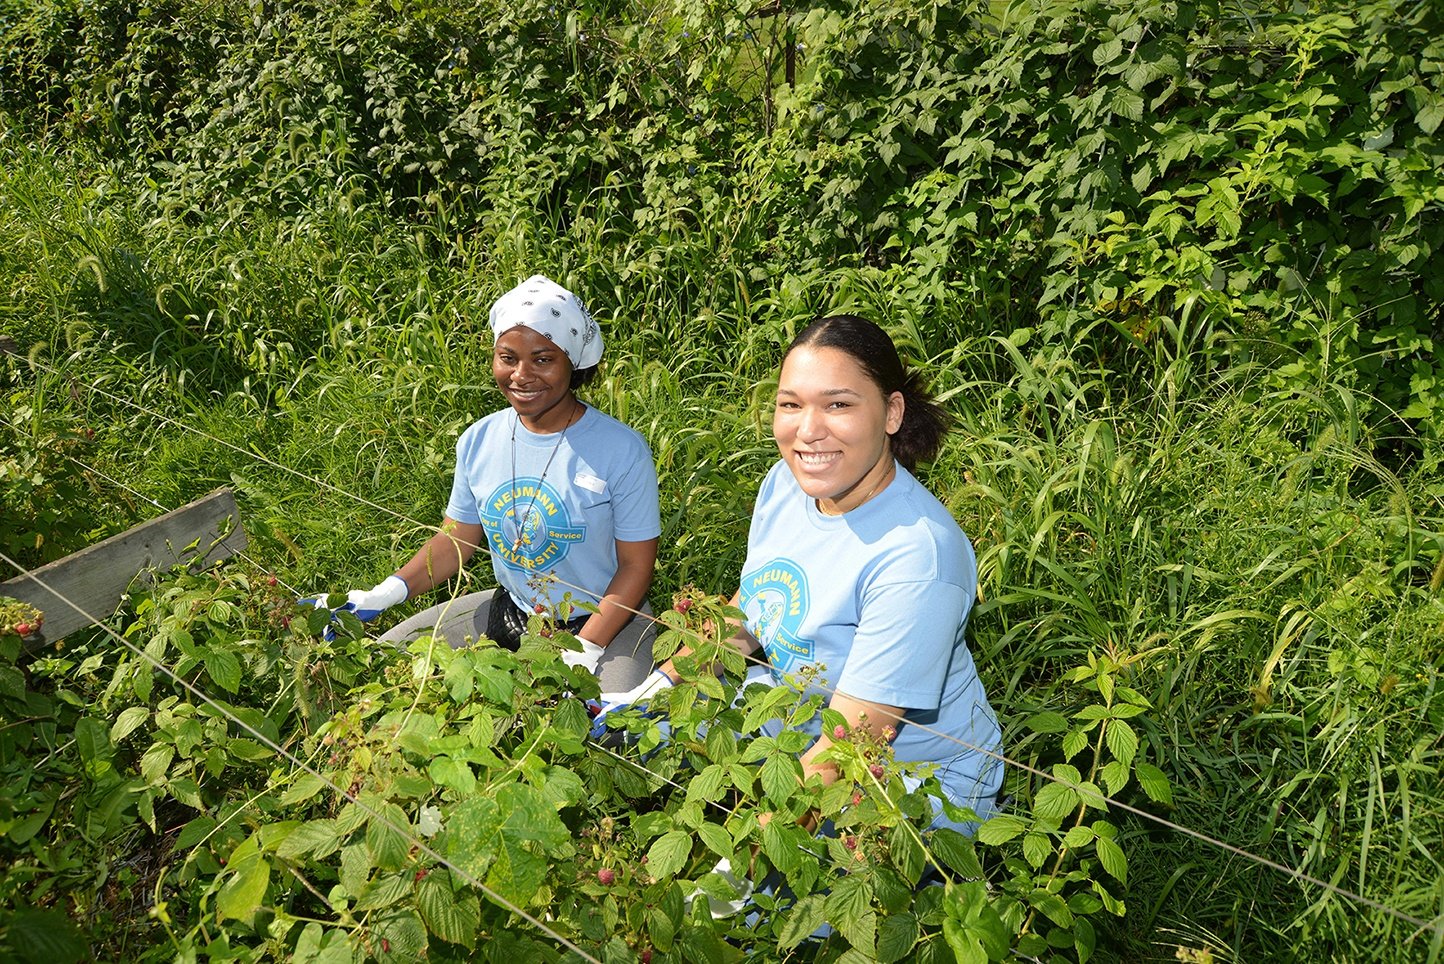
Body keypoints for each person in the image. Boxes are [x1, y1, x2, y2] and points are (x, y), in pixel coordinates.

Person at [600, 314, 1003, 834]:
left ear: (891, 412)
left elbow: (847, 750)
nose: (808, 431)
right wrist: (653, 690)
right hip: (799, 714)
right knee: (639, 736)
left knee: (760, 911)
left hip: (907, 777)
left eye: (838, 404)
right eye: (791, 404)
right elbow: (753, 608)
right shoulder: (788, 484)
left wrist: (743, 861)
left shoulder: (917, 556)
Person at [316, 275, 661, 690]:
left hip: (607, 622)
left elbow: (636, 567)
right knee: (389, 662)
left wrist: (584, 648)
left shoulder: (621, 450)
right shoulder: (480, 439)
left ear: (573, 361)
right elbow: (456, 540)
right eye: (507, 357)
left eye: (543, 359)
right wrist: (387, 592)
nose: (522, 375)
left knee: (608, 733)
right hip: (512, 610)